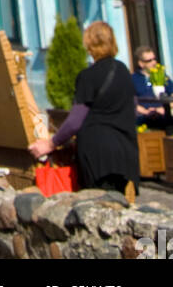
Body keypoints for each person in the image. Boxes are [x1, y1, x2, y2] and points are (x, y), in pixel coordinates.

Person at [29, 21, 139, 195]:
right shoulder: (123, 70)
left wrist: (51, 143)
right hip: (124, 150)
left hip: (97, 151)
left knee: (97, 204)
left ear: (89, 44)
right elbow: (133, 108)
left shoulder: (88, 76)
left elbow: (75, 120)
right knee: (119, 201)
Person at [132, 46, 173, 130]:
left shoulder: (162, 76)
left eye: (154, 59)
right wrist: (145, 111)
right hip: (143, 122)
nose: (154, 62)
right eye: (149, 60)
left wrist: (165, 108)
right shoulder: (133, 79)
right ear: (141, 63)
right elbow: (129, 101)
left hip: (164, 120)